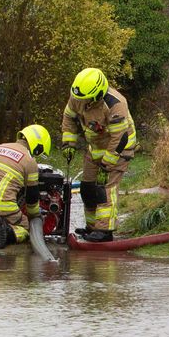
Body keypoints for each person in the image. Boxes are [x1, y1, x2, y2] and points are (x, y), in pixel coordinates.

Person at [61, 67, 137, 243]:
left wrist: (106, 165)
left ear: (97, 94)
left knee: (104, 188)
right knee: (87, 189)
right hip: (95, 148)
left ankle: (105, 230)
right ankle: (92, 227)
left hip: (119, 149)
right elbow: (69, 118)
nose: (82, 101)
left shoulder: (115, 104)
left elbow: (120, 138)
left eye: (87, 98)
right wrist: (68, 143)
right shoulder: (78, 96)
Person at [0, 124, 51, 249]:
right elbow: (32, 196)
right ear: (37, 147)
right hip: (3, 209)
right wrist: (35, 215)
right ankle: (8, 233)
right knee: (27, 226)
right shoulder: (30, 162)